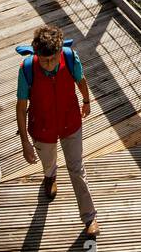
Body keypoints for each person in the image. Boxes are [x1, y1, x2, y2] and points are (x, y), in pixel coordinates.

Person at [15, 24, 99, 237]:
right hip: (42, 126)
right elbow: (21, 107)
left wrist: (87, 100)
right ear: (36, 54)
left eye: (53, 58)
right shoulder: (27, 69)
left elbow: (80, 79)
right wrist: (24, 141)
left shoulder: (70, 57)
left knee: (76, 168)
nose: (49, 64)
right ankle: (50, 176)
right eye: (44, 60)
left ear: (60, 51)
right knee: (48, 161)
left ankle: (89, 217)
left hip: (69, 120)